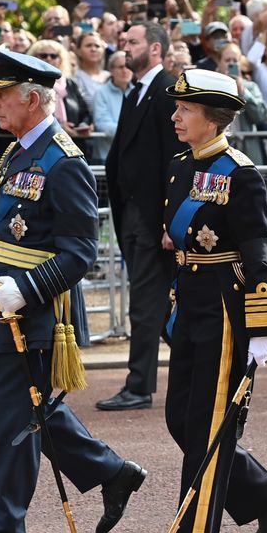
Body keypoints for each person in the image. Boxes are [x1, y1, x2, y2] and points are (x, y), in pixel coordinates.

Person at [0, 48, 146, 533]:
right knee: (36, 409)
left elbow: (81, 252)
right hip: (8, 298)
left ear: (33, 100)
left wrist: (26, 291)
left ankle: (5, 522)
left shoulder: (61, 159)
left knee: (16, 411)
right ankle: (113, 472)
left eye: (2, 95)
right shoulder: (20, 150)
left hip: (35, 308)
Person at [145, 68, 267, 533]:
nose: (175, 117)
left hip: (228, 312)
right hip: (189, 303)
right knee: (181, 422)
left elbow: (259, 254)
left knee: (208, 429)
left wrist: (263, 327)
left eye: (185, 111)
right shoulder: (175, 166)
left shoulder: (240, 173)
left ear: (212, 120)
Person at [97, 22, 182, 411]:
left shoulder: (166, 92)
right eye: (124, 41)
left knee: (145, 304)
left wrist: (170, 218)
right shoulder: (136, 94)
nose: (124, 47)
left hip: (152, 218)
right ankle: (201, 364)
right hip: (132, 214)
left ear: (155, 49)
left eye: (132, 42)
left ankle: (138, 385)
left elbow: (174, 159)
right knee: (156, 304)